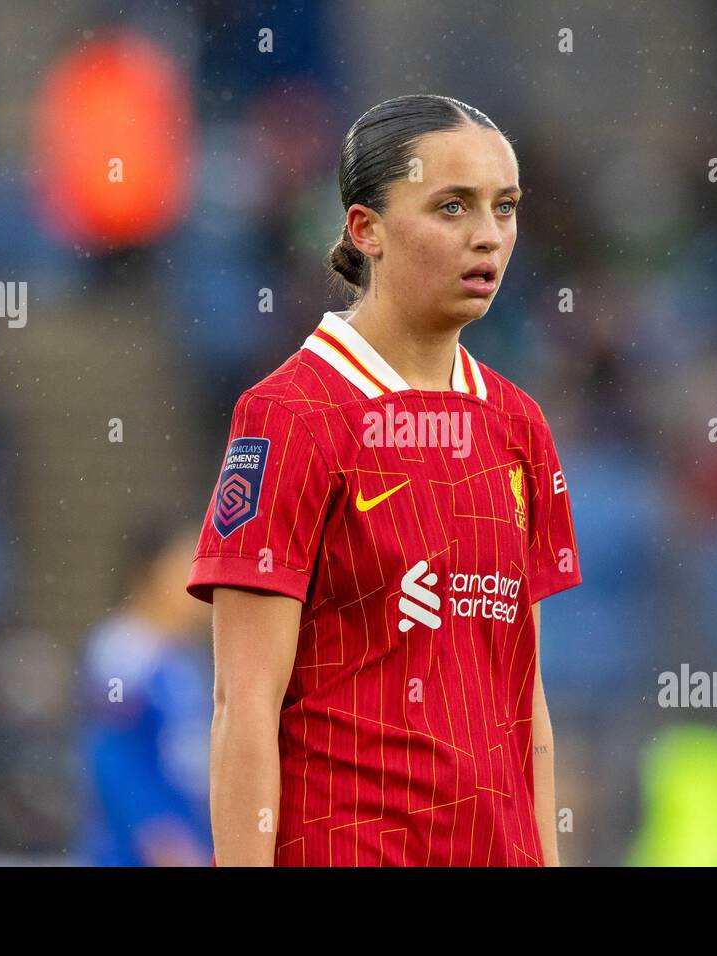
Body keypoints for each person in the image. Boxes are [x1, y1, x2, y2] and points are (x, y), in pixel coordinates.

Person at [186, 94, 583, 866]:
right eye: (451, 207)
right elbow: (243, 706)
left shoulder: (519, 424)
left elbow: (524, 705)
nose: (488, 236)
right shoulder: (290, 415)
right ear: (366, 230)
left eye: (504, 208)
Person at [78, 517, 214, 866]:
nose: (203, 577)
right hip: (137, 850)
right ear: (148, 574)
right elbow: (110, 752)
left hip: (191, 833)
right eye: (187, 564)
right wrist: (154, 829)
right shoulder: (123, 651)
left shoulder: (187, 658)